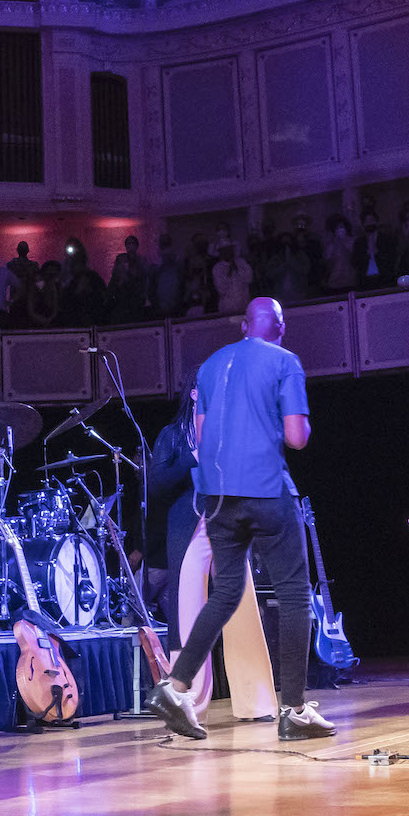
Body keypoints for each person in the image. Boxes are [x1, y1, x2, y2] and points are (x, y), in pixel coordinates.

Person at [148, 298, 332, 742]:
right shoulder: (286, 361)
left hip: (218, 499)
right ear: (281, 328)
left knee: (225, 593)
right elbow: (296, 437)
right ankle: (293, 709)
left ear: (244, 325)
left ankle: (174, 687)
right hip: (266, 489)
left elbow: (204, 434)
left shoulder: (210, 366)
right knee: (294, 596)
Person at [146, 370, 277, 721]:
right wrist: (192, 456)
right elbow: (156, 485)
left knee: (243, 610)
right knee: (188, 612)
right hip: (190, 528)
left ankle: (257, 702)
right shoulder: (172, 436)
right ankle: (187, 702)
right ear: (193, 394)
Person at [352, 209, 396, 289]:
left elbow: (392, 258)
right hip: (366, 282)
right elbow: (356, 261)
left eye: (371, 220)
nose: (369, 223)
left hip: (385, 280)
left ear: (376, 221)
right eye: (366, 221)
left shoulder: (386, 239)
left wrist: (378, 253)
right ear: (363, 223)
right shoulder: (359, 242)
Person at [211, 242, 253, 316]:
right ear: (221, 253)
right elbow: (221, 289)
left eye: (229, 249)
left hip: (244, 303)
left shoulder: (241, 262)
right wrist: (229, 273)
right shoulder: (217, 268)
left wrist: (237, 269)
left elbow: (249, 279)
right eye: (225, 250)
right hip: (227, 307)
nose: (228, 252)